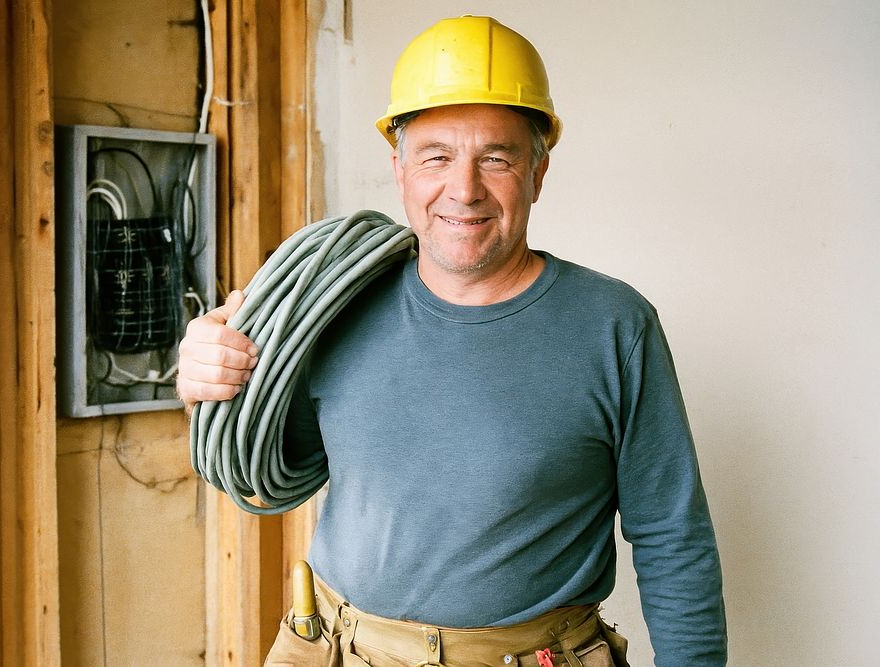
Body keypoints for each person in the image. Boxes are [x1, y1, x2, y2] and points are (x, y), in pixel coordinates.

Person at [177, 15, 727, 667]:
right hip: (335, 649)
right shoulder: (333, 305)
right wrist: (212, 382)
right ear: (400, 169)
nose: (463, 190)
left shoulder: (614, 325)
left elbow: (671, 537)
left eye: (496, 158)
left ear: (538, 172)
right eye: (436, 156)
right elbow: (266, 465)